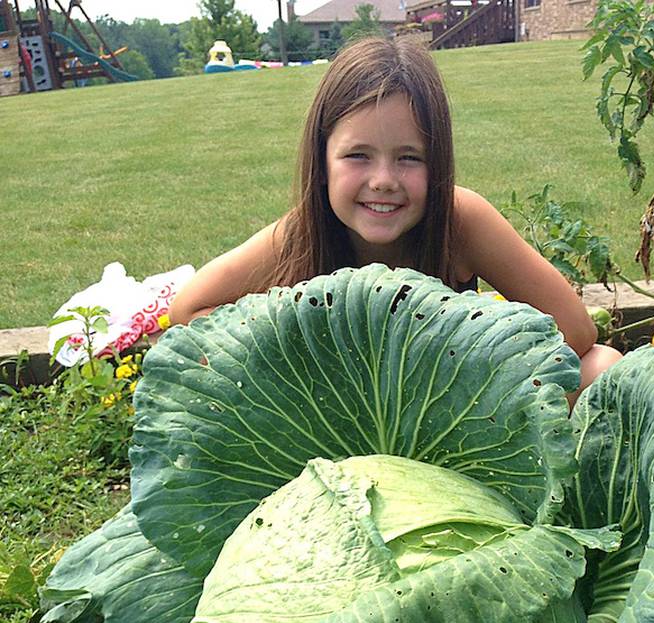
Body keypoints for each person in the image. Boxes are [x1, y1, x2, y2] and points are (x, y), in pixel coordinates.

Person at [169, 35, 621, 398]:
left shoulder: (460, 220)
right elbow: (188, 310)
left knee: (603, 368)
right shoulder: (301, 233)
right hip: (338, 435)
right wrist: (283, 374)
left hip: (456, 425)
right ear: (322, 162)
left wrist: (486, 388)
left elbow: (576, 331)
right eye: (358, 156)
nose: (383, 180)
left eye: (409, 158)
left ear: (438, 162)